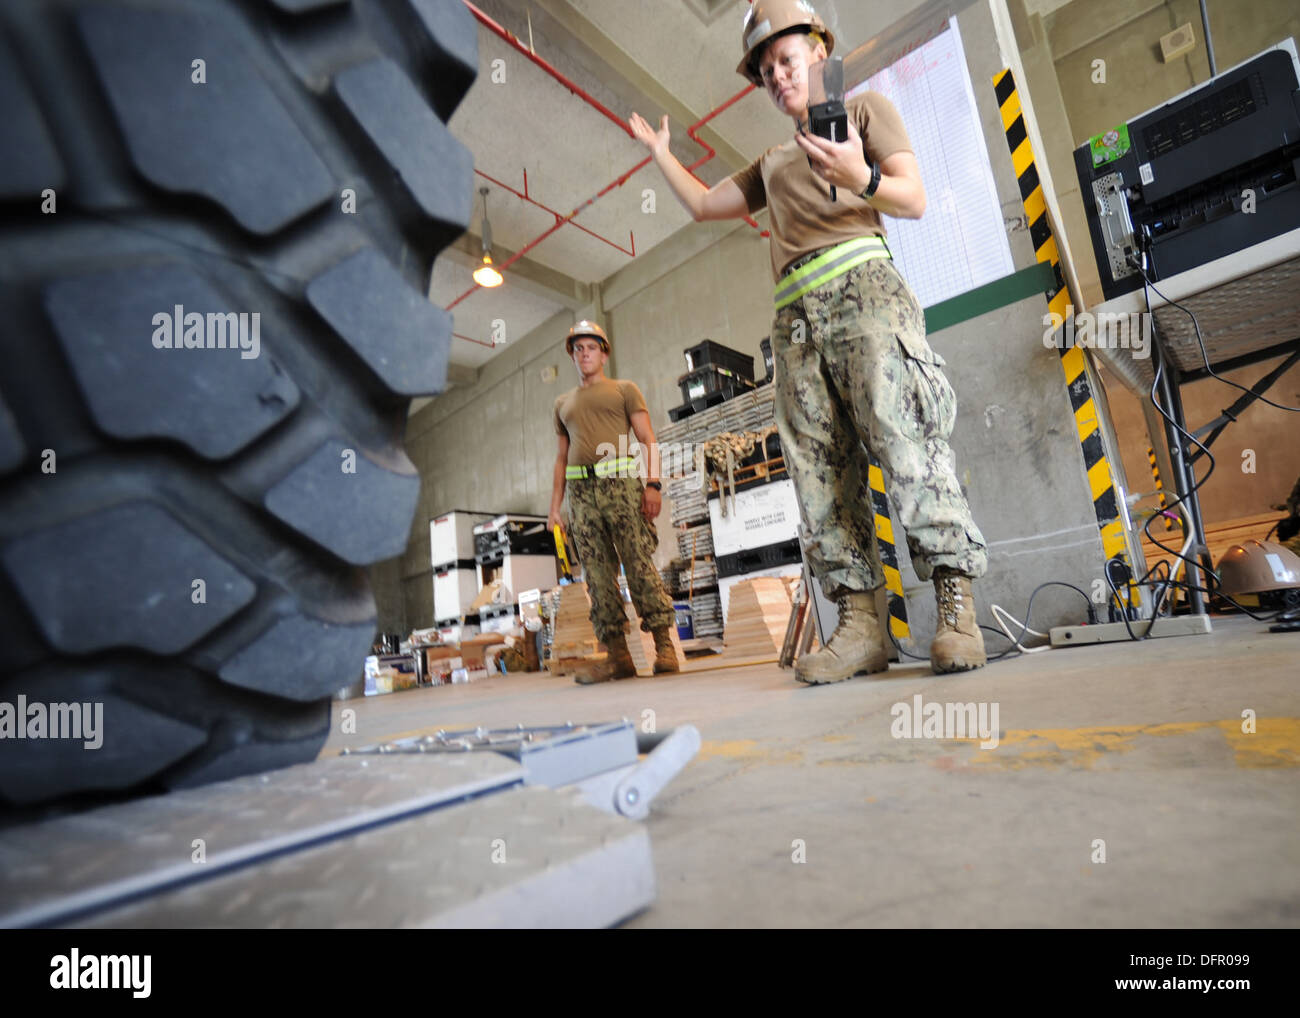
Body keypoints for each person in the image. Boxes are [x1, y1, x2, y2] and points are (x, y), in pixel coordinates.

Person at [628, 0, 989, 681]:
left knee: (904, 439)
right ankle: (860, 627)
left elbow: (911, 198)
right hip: (795, 319)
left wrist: (861, 176)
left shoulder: (865, 114)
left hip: (867, 293)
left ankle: (955, 608)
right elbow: (706, 206)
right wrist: (661, 157)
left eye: (786, 61)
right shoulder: (771, 161)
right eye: (765, 72)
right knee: (818, 470)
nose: (777, 78)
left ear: (820, 52)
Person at [548, 320, 680, 683]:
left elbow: (647, 438)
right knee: (596, 573)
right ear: (572, 355)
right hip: (581, 496)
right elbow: (561, 458)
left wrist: (653, 485)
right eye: (578, 348)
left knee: (638, 562)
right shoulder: (562, 403)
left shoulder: (625, 390)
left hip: (621, 486)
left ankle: (664, 646)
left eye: (591, 347)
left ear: (604, 353)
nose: (584, 353)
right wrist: (554, 509)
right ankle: (617, 656)